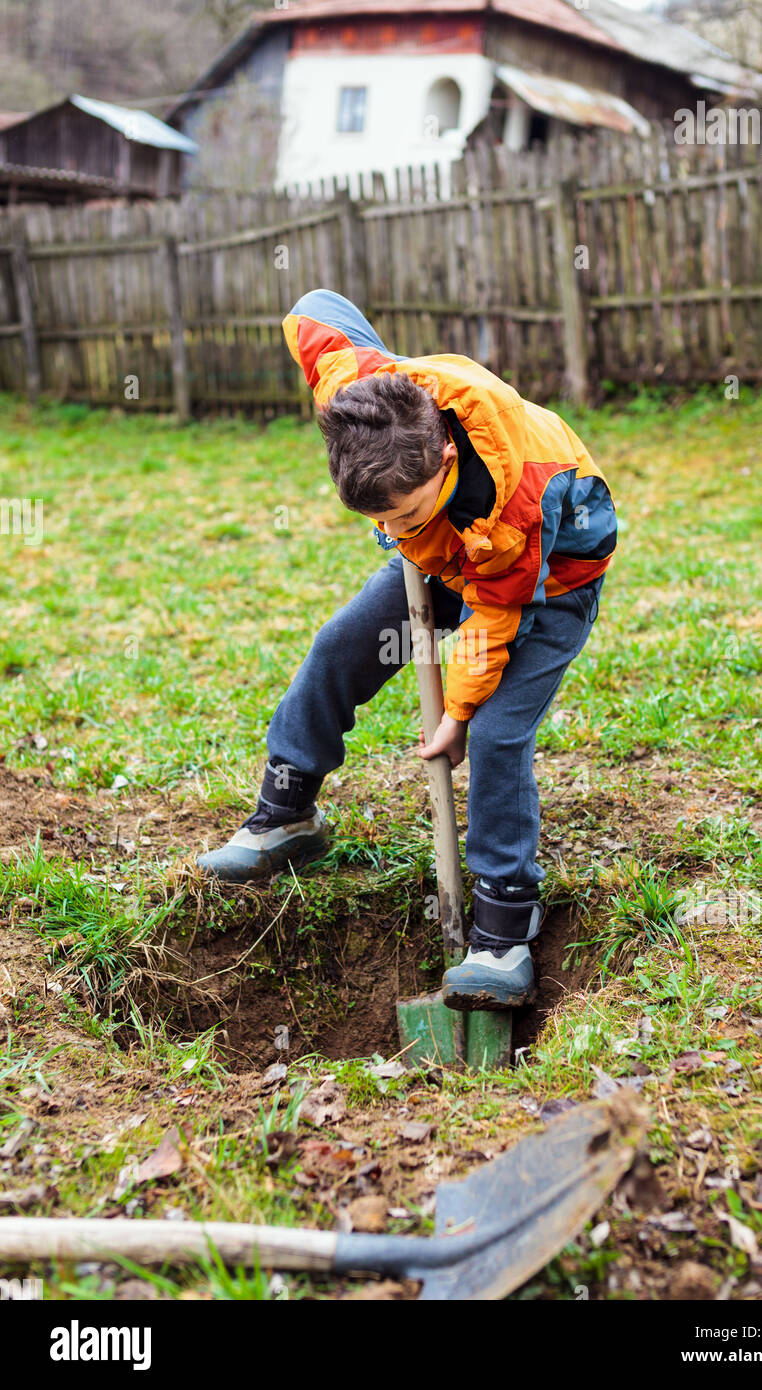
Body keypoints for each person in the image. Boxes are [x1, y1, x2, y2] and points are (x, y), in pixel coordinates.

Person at [197, 288, 617, 1010]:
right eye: (380, 519)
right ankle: (289, 811)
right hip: (446, 556)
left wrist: (455, 716)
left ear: (446, 456)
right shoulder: (362, 402)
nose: (392, 526)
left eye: (407, 512)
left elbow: (493, 615)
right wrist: (412, 532)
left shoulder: (510, 498)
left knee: (495, 732)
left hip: (544, 576)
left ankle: (504, 926)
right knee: (341, 644)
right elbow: (316, 315)